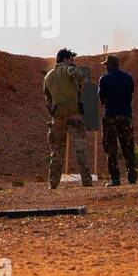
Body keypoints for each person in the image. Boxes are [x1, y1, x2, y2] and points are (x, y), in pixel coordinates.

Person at [44, 48, 91, 188]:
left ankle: (53, 183)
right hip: (73, 113)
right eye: (71, 59)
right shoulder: (68, 69)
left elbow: (48, 98)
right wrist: (74, 70)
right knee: (80, 148)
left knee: (57, 150)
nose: (73, 61)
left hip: (58, 115)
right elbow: (80, 77)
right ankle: (87, 181)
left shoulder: (48, 76)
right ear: (65, 59)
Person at [97, 54, 137, 187]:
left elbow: (102, 99)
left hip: (111, 116)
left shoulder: (104, 79)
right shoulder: (128, 78)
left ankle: (115, 179)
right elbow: (130, 95)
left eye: (106, 65)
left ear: (109, 65)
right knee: (128, 147)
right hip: (126, 115)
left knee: (111, 148)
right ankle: (132, 176)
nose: (105, 67)